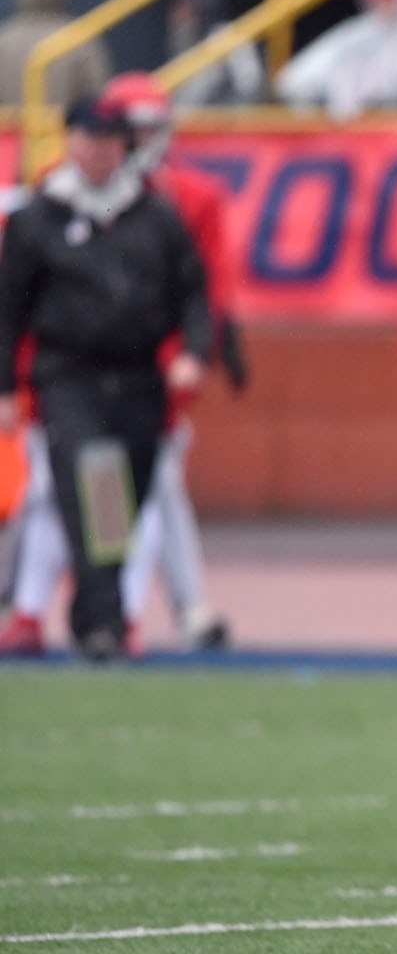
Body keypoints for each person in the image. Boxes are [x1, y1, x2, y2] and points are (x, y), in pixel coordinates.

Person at [0, 73, 243, 656]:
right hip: (68, 375)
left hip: (138, 379)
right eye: (94, 139)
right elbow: (9, 305)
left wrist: (193, 350)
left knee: (121, 498)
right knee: (86, 483)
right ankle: (96, 618)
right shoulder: (41, 216)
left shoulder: (154, 214)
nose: (104, 151)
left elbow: (193, 288)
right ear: (73, 143)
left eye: (114, 140)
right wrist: (7, 386)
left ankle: (98, 618)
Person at [0, 0, 110, 108]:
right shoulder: (81, 38)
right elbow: (98, 96)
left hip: (9, 128)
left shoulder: (4, 39)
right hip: (65, 129)